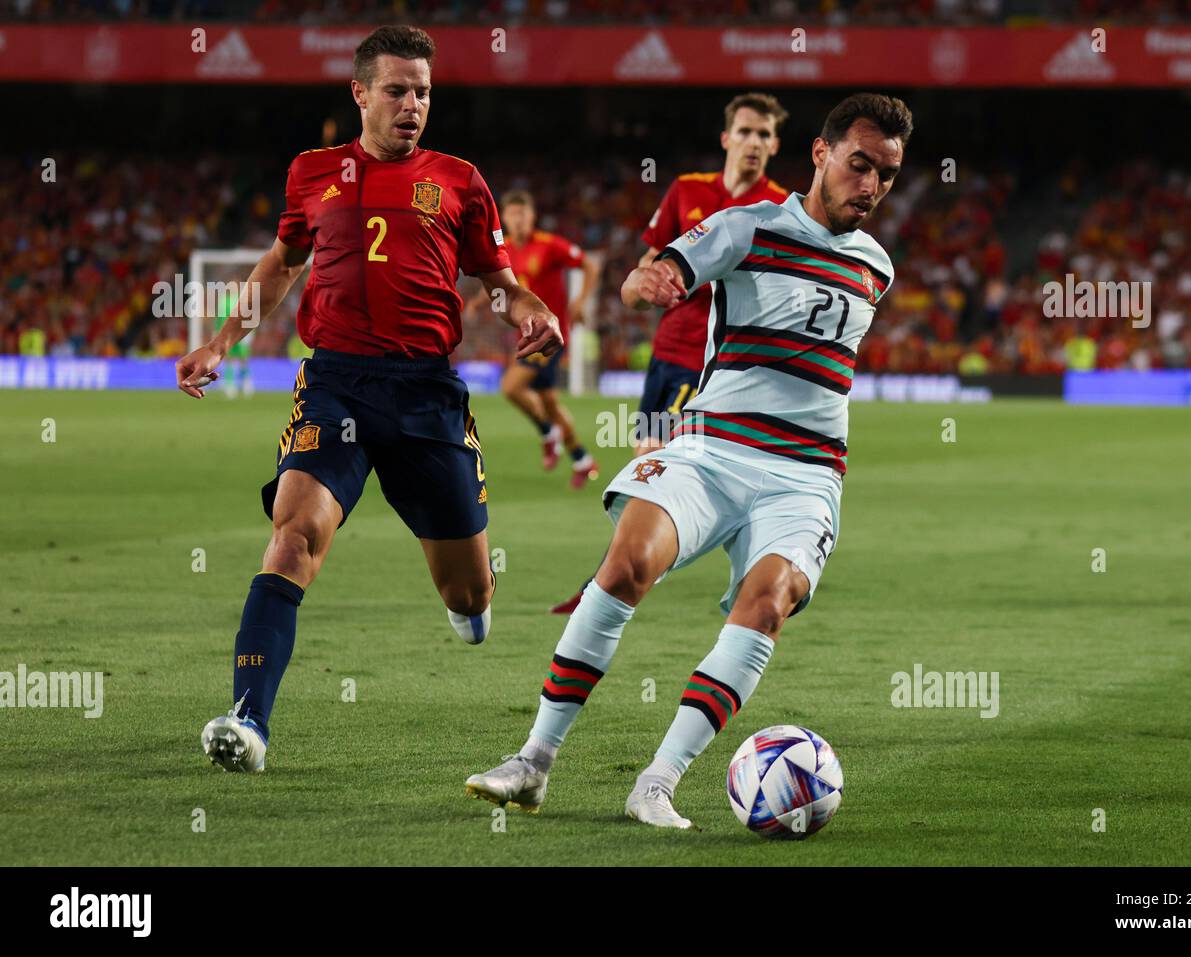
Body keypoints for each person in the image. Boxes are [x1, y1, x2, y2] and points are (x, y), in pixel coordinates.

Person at [466, 92, 910, 828]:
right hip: (711, 448)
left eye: (886, 175)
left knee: (767, 602)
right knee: (626, 563)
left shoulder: (877, 266)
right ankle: (533, 761)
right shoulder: (747, 226)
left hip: (805, 474)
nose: (870, 185)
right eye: (859, 165)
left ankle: (657, 782)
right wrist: (650, 282)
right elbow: (654, 271)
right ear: (821, 154)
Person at [174, 25, 562, 773]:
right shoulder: (312, 172)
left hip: (427, 394)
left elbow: (500, 285)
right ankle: (248, 719)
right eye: (396, 90)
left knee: (469, 590)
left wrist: (533, 311)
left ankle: (470, 602)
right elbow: (282, 264)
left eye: (423, 92)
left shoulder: (459, 180)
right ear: (359, 94)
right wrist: (221, 342)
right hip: (336, 386)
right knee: (294, 537)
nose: (412, 105)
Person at [549, 91, 789, 613]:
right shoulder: (687, 191)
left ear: (774, 145)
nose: (754, 142)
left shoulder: (778, 210)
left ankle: (609, 584)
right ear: (726, 138)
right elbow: (648, 265)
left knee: (653, 466)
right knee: (648, 464)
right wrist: (644, 284)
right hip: (666, 354)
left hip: (711, 363)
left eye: (764, 134)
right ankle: (630, 572)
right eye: (746, 131)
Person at [495, 190, 601, 488]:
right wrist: (480, 300)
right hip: (526, 334)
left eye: (523, 213)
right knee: (550, 403)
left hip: (549, 336)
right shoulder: (505, 249)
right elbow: (501, 282)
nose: (518, 219)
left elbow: (589, 265)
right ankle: (582, 459)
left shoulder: (550, 245)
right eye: (513, 214)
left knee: (511, 387)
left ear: (532, 216)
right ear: (504, 217)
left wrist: (580, 301)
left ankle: (547, 431)